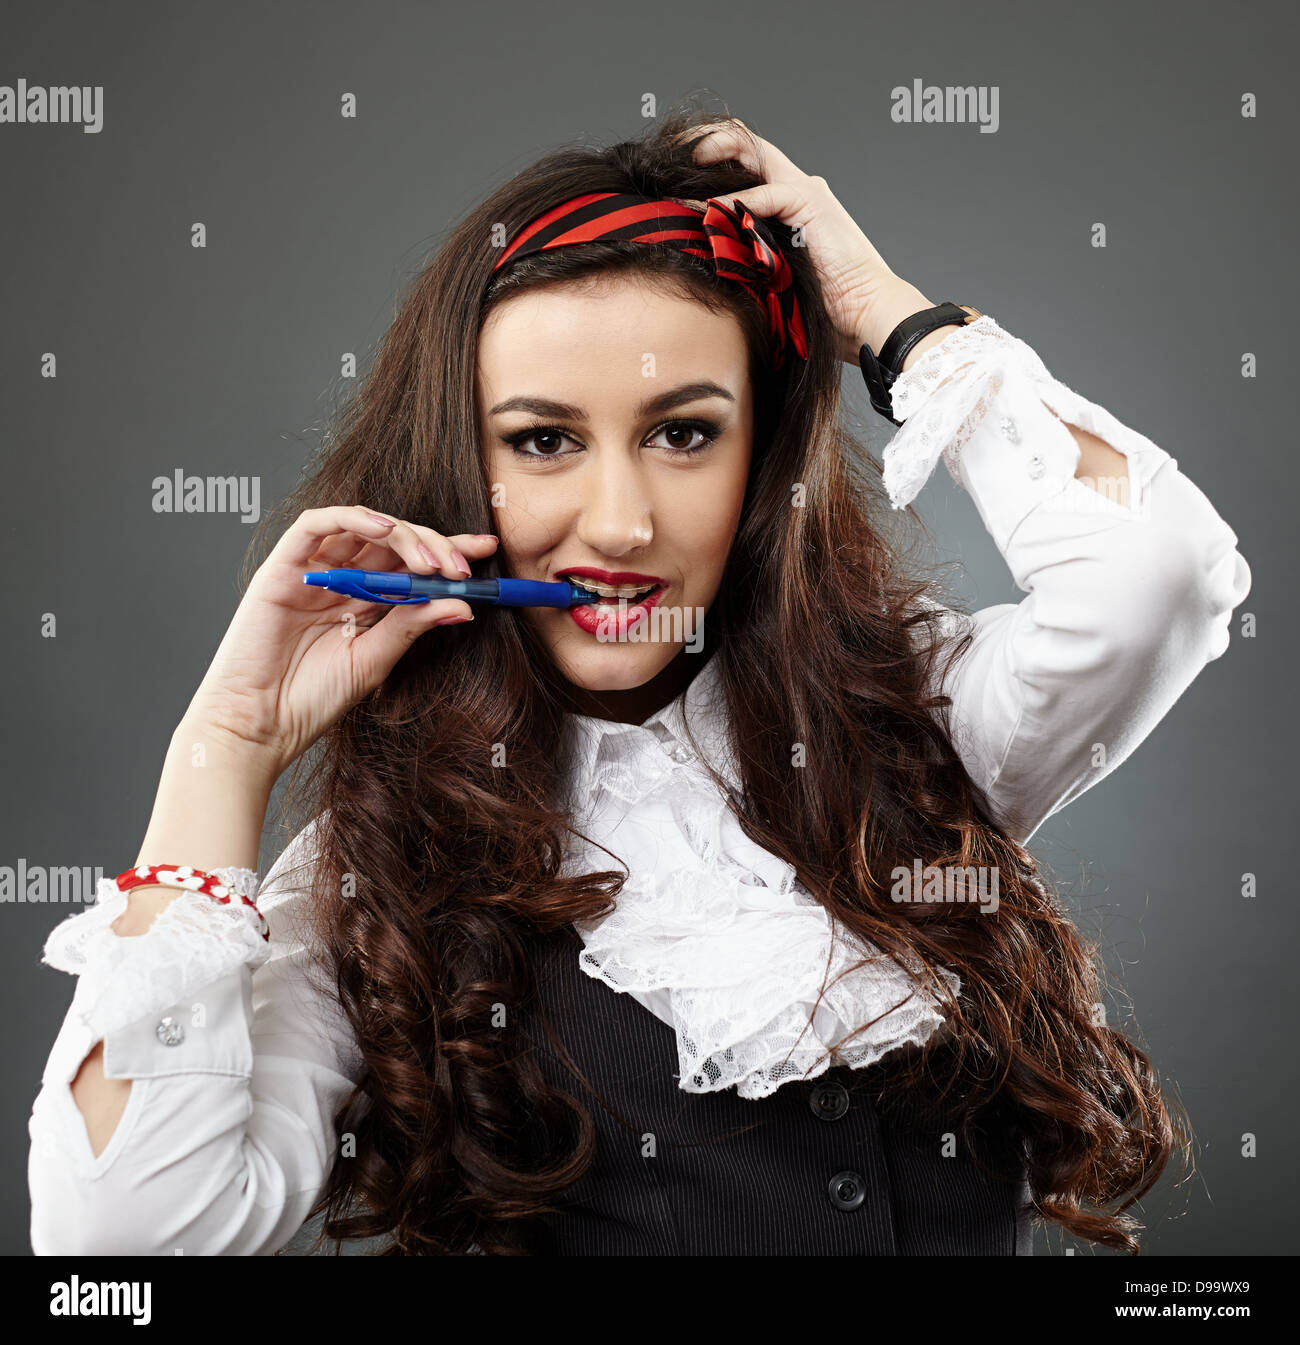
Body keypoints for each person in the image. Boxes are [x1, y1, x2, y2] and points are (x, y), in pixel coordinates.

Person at [27, 107, 1250, 1256]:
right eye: (543, 440)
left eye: (683, 432)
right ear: (464, 469)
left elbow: (1162, 581)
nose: (616, 524)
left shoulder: (912, 715)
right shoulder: (379, 869)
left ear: (759, 459)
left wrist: (889, 317)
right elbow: (119, 1244)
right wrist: (226, 744)